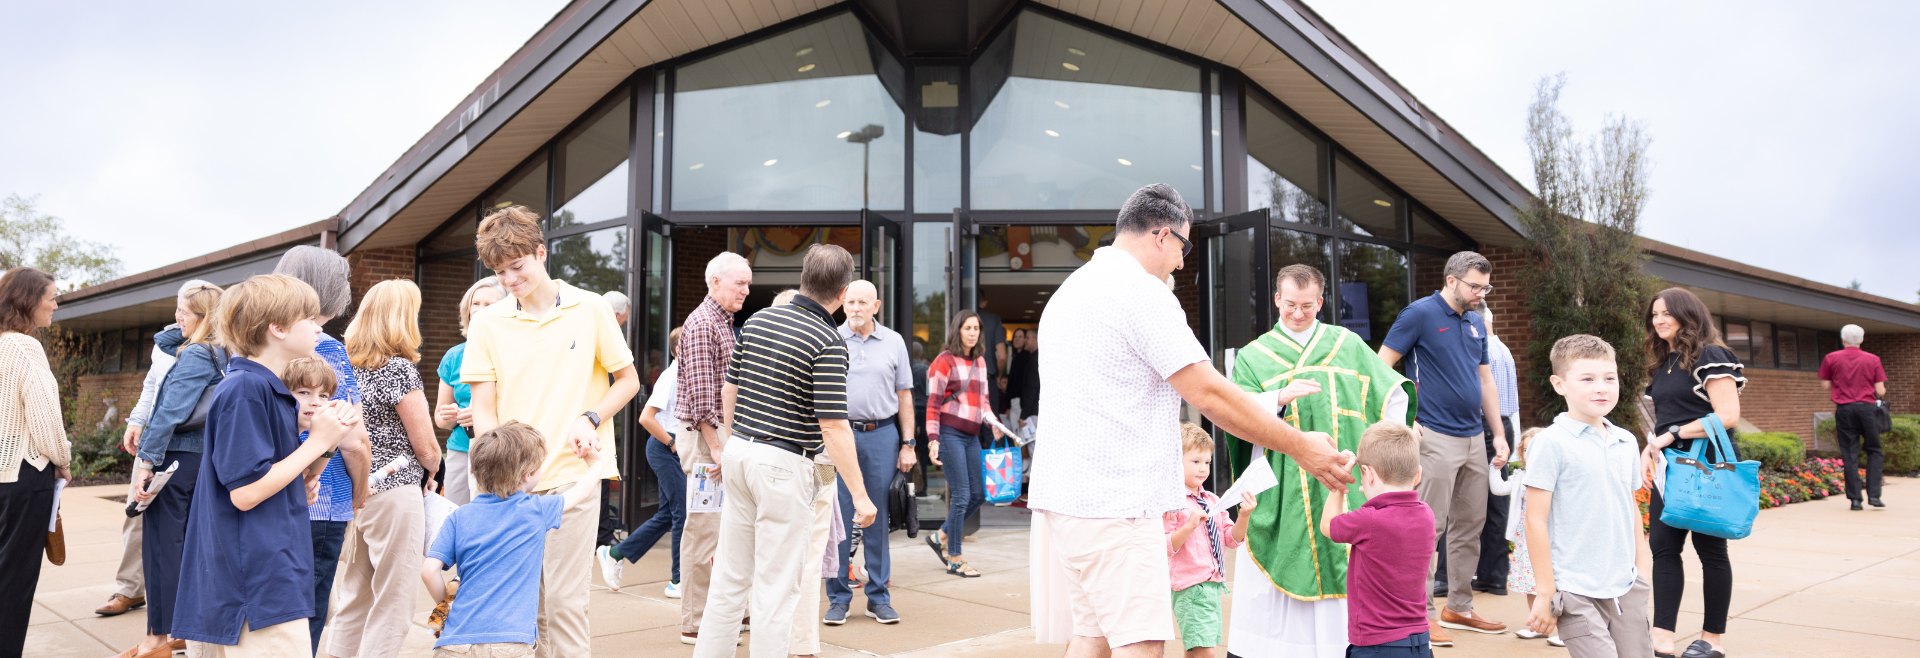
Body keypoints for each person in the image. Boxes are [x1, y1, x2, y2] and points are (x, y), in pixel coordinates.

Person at [1029, 184, 1347, 658]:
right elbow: (1210, 393)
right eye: (1183, 246)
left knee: (1093, 634)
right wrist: (1300, 445)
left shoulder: (1073, 289)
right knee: (1141, 644)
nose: (1182, 263)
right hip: (1117, 504)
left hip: (1067, 498)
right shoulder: (1140, 293)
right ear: (1161, 235)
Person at [463, 206, 639, 658]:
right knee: (527, 605)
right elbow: (483, 409)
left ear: (541, 253)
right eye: (500, 272)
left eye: (517, 267)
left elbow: (629, 382)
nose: (510, 279)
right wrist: (497, 478)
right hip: (510, 486)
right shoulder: (486, 323)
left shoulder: (592, 308)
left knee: (564, 603)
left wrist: (591, 417)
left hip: (572, 480)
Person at [693, 244, 878, 658]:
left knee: (729, 581)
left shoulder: (758, 320)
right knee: (776, 590)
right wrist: (862, 496)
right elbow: (833, 426)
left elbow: (729, 389)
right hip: (784, 465)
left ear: (802, 278)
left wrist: (733, 442)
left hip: (740, 452)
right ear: (843, 291)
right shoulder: (830, 342)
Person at [1224, 264, 1411, 658]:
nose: (1297, 313)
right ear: (1277, 299)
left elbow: (1391, 394)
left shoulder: (1347, 344)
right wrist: (1277, 398)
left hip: (1343, 477)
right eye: (1290, 304)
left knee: (1344, 555)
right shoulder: (1255, 357)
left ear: (1321, 302)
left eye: (1307, 306)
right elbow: (1234, 413)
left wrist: (1384, 449)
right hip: (1283, 485)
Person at [171, 273, 358, 654]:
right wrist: (317, 442)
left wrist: (327, 441)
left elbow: (277, 477)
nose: (318, 326)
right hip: (256, 581)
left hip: (266, 570)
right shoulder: (246, 389)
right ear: (278, 328)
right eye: (310, 318)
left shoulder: (266, 389)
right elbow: (246, 492)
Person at [1377, 250, 1509, 642]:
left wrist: (1498, 433)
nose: (1481, 294)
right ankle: (1419, 613)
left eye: (1485, 287)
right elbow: (1380, 367)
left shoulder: (1475, 322)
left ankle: (1459, 606)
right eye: (1475, 286)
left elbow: (1485, 382)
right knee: (1427, 527)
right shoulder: (1418, 314)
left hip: (1474, 439)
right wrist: (1407, 420)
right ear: (1451, 281)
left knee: (1471, 525)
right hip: (1433, 435)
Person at [422, 421, 606, 658]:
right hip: (509, 643)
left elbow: (428, 571)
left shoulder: (459, 516)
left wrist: (447, 607)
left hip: (454, 643)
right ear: (528, 474)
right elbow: (581, 492)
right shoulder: (536, 510)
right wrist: (596, 463)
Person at [1523, 334, 1654, 658]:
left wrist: (1643, 570)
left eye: (1610, 378)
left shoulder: (1625, 441)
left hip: (1626, 586)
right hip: (1574, 589)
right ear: (1559, 384)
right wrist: (1545, 592)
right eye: (1587, 379)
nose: (1602, 387)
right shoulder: (1550, 443)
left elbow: (1630, 509)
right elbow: (1535, 520)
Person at [331, 279, 441, 658]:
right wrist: (434, 468)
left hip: (357, 488)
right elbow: (426, 447)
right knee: (395, 595)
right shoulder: (398, 370)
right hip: (395, 488)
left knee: (356, 591)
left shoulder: (344, 367)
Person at [273, 243, 372, 653]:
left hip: (268, 491)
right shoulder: (327, 349)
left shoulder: (256, 345)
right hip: (321, 501)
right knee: (307, 614)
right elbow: (353, 439)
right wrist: (361, 493)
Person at [120, 282, 224, 658]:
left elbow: (170, 412)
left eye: (184, 311)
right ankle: (178, 632)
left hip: (176, 457)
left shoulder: (198, 353)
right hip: (200, 460)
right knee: (183, 547)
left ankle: (156, 640)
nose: (176, 317)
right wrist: (189, 317)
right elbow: (163, 340)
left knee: (161, 549)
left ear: (205, 316)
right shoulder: (222, 349)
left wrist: (146, 462)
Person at [1639, 288, 1742, 658]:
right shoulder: (1665, 363)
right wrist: (1649, 449)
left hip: (1706, 463)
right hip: (1670, 467)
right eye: (1654, 315)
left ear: (1689, 315)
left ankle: (1712, 640)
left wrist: (1674, 435)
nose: (1659, 320)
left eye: (1667, 313)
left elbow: (1727, 415)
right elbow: (1664, 417)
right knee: (1663, 548)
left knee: (1710, 550)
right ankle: (1662, 638)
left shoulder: (1710, 355)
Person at [101, 282, 206, 619]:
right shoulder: (166, 343)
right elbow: (153, 386)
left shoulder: (211, 350)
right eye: (176, 308)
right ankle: (130, 589)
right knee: (137, 514)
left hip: (186, 445)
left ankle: (178, 610)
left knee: (180, 527)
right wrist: (136, 421)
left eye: (185, 310)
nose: (178, 315)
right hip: (155, 439)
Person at [825, 279, 916, 625]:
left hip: (882, 436)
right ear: (842, 303)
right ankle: (838, 598)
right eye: (850, 302)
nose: (856, 308)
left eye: (864, 302)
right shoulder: (830, 338)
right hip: (838, 436)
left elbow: (905, 396)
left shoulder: (894, 342)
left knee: (876, 518)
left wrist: (908, 444)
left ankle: (878, 597)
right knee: (837, 517)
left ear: (876, 306)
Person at [674, 251, 752, 644]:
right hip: (709, 442)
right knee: (705, 532)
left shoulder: (723, 322)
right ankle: (697, 621)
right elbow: (705, 398)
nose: (746, 290)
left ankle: (724, 615)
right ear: (715, 282)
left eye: (748, 283)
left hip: (720, 438)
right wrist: (718, 450)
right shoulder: (704, 323)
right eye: (740, 283)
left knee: (724, 532)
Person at [1317, 422, 1435, 658]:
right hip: (1420, 643)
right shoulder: (1426, 514)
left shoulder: (1370, 520)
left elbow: (1328, 525)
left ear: (1368, 474)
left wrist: (1339, 484)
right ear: (1418, 474)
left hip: (1378, 646)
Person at [0, 267, 72, 654]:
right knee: (13, 580)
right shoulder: (25, 347)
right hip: (24, 477)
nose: (56, 305)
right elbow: (45, 417)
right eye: (52, 297)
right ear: (28, 301)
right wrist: (63, 459)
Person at [1435, 301, 1523, 599]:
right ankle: (1494, 576)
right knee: (1496, 505)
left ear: (1481, 323)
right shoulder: (1505, 351)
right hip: (1503, 426)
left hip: (1480, 426)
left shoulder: (1480, 350)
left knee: (1458, 501)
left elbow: (1483, 392)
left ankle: (1446, 576)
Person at [596, 327, 687, 597]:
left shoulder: (688, 375)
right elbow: (646, 418)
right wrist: (673, 444)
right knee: (682, 513)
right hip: (665, 447)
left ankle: (614, 553)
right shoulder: (671, 377)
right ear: (680, 349)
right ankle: (679, 580)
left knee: (668, 513)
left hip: (673, 447)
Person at [922, 310, 1001, 578]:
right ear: (957, 330)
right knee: (962, 496)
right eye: (967, 328)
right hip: (949, 433)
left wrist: (993, 423)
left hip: (971, 435)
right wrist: (933, 439)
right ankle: (955, 558)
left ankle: (940, 536)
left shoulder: (979, 361)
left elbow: (984, 402)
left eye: (976, 328)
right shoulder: (943, 362)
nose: (972, 333)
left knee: (979, 494)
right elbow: (933, 404)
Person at [1166, 423, 1254, 658]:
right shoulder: (1171, 502)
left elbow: (1231, 539)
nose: (1203, 468)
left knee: (1196, 651)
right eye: (1195, 461)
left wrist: (1243, 516)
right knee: (1205, 652)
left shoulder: (1213, 499)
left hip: (1213, 587)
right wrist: (1189, 525)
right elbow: (1167, 545)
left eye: (1207, 462)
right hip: (1191, 588)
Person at [436, 277, 508, 506]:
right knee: (455, 515)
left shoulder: (513, 353)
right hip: (460, 449)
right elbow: (440, 419)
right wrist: (449, 416)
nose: (479, 310)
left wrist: (483, 413)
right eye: (475, 304)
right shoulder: (454, 356)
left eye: (488, 305)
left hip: (501, 450)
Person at [1490, 428, 1561, 647]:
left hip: (1551, 538)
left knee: (1557, 583)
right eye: (1528, 450)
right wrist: (1495, 468)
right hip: (1526, 538)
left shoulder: (1558, 477)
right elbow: (1498, 488)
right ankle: (1538, 626)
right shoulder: (1521, 477)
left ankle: (1563, 630)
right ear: (1522, 453)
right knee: (1531, 582)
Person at [1820, 323, 1888, 510]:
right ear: (1862, 339)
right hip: (1867, 410)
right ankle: (1874, 496)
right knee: (1874, 450)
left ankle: (1855, 500)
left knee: (1849, 454)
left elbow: (1825, 386)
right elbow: (1880, 391)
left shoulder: (1831, 358)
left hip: (1844, 410)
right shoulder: (1873, 359)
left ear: (1843, 339)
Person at [975, 298, 1008, 416]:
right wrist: (998, 374)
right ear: (984, 302)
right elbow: (1002, 356)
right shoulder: (994, 320)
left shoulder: (961, 319)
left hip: (966, 380)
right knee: (990, 425)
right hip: (988, 379)